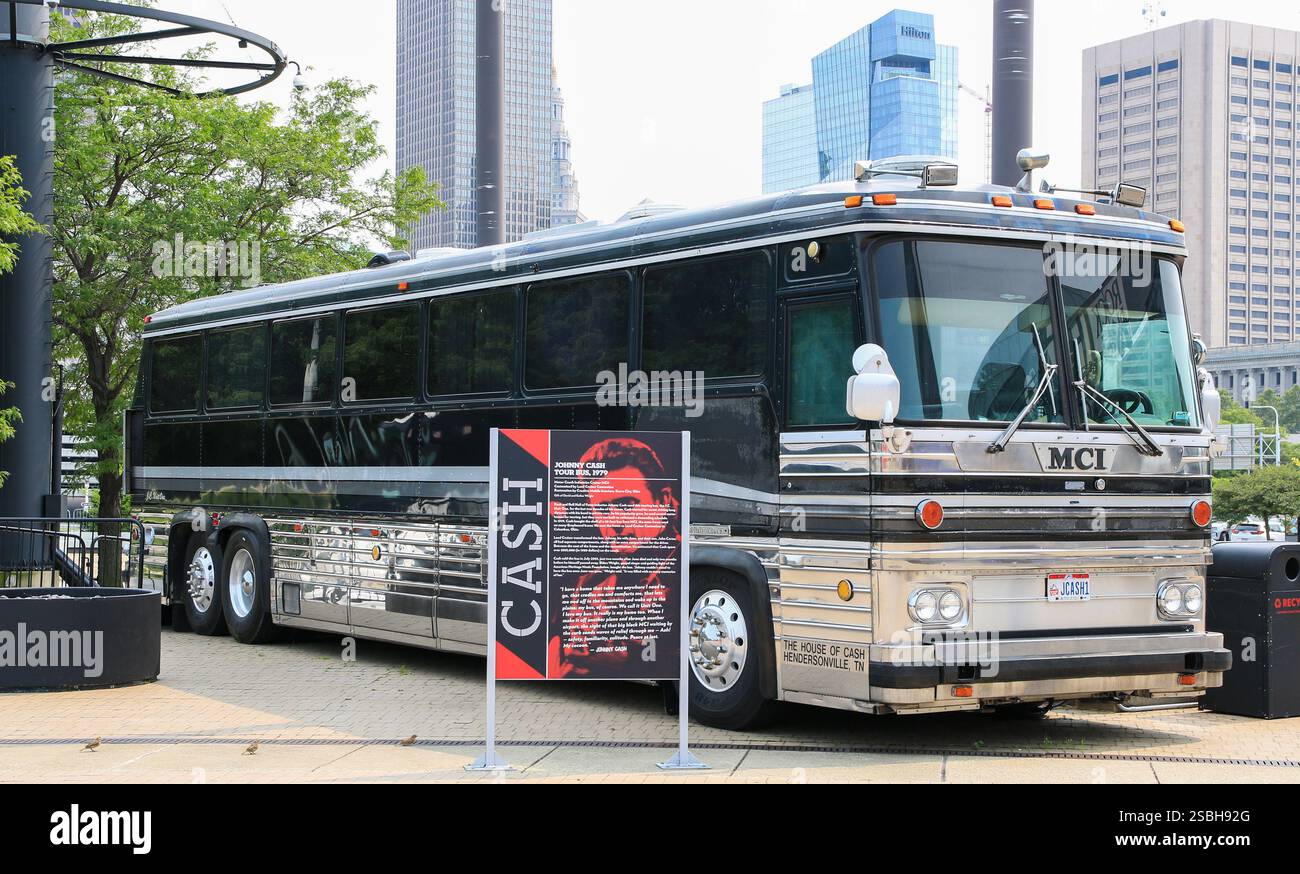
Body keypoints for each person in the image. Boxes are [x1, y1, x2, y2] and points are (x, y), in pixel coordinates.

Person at [547, 438, 680, 678]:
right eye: (603, 509)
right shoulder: (588, 581)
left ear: (662, 501)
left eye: (627, 505)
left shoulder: (686, 570)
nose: (615, 522)